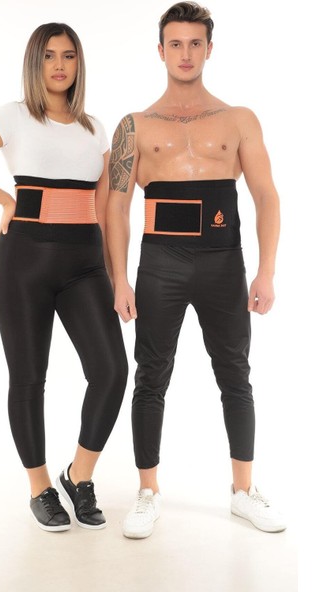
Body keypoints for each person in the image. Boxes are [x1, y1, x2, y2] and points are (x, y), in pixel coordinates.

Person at [0, 22, 128, 532]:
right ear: (34, 62)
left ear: (79, 63)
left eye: (68, 55)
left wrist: (117, 278)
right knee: (28, 378)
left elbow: (107, 210)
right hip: (24, 262)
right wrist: (5, 199)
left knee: (111, 371)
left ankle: (78, 475)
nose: (59, 65)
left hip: (85, 264)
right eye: (48, 56)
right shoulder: (13, 116)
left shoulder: (96, 129)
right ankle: (40, 487)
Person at [106, 1, 286, 538]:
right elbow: (116, 206)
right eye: (175, 43)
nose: (185, 53)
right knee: (151, 374)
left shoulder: (239, 119)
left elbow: (266, 195)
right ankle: (147, 491)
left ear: (209, 48)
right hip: (160, 262)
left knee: (235, 371)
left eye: (195, 43)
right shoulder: (135, 126)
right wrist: (120, 278)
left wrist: (266, 271)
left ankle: (243, 491)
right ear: (160, 50)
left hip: (223, 260)